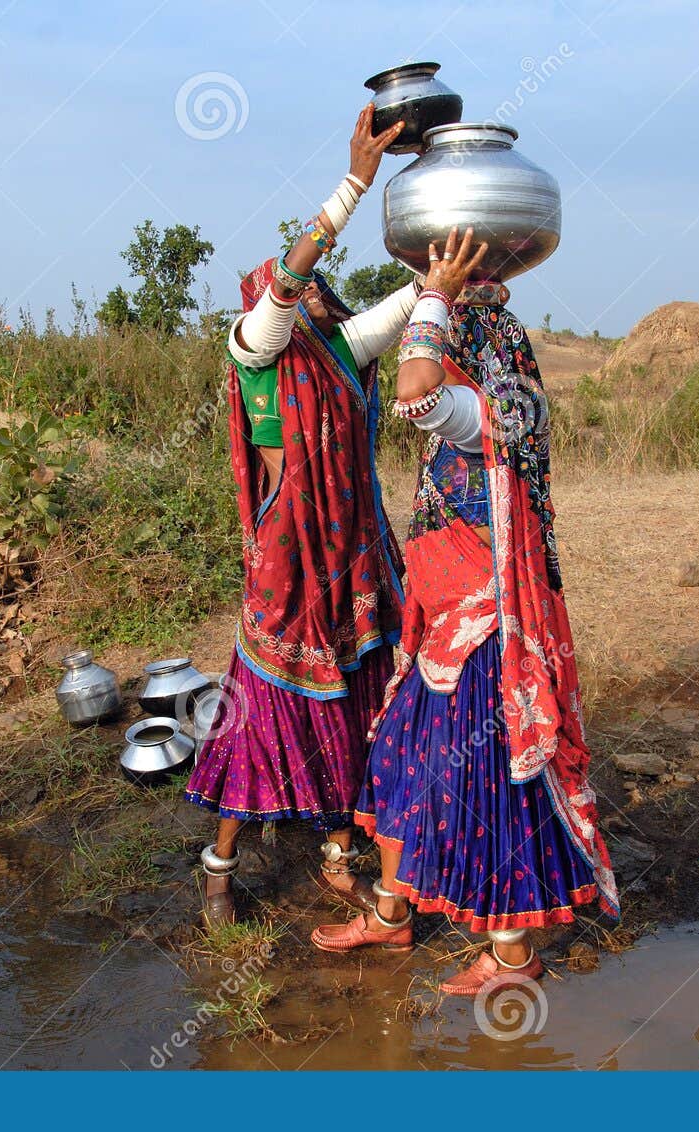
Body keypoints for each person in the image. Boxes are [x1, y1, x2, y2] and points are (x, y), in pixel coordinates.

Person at [309, 229, 619, 996]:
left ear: (473, 359)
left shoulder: (498, 411)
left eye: (450, 351)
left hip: (488, 621)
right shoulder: (484, 394)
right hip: (445, 610)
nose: (438, 362)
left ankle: (512, 953)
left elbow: (414, 392)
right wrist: (431, 291)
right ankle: (390, 912)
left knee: (488, 778)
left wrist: (437, 296)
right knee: (395, 757)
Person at [186, 105, 417, 928]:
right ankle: (218, 866)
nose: (319, 289)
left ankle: (333, 849)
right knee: (267, 712)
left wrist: (448, 261)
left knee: (357, 702)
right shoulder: (257, 346)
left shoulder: (336, 352)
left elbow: (403, 307)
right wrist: (356, 183)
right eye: (306, 285)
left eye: (322, 288)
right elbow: (287, 280)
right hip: (287, 575)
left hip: (349, 562)